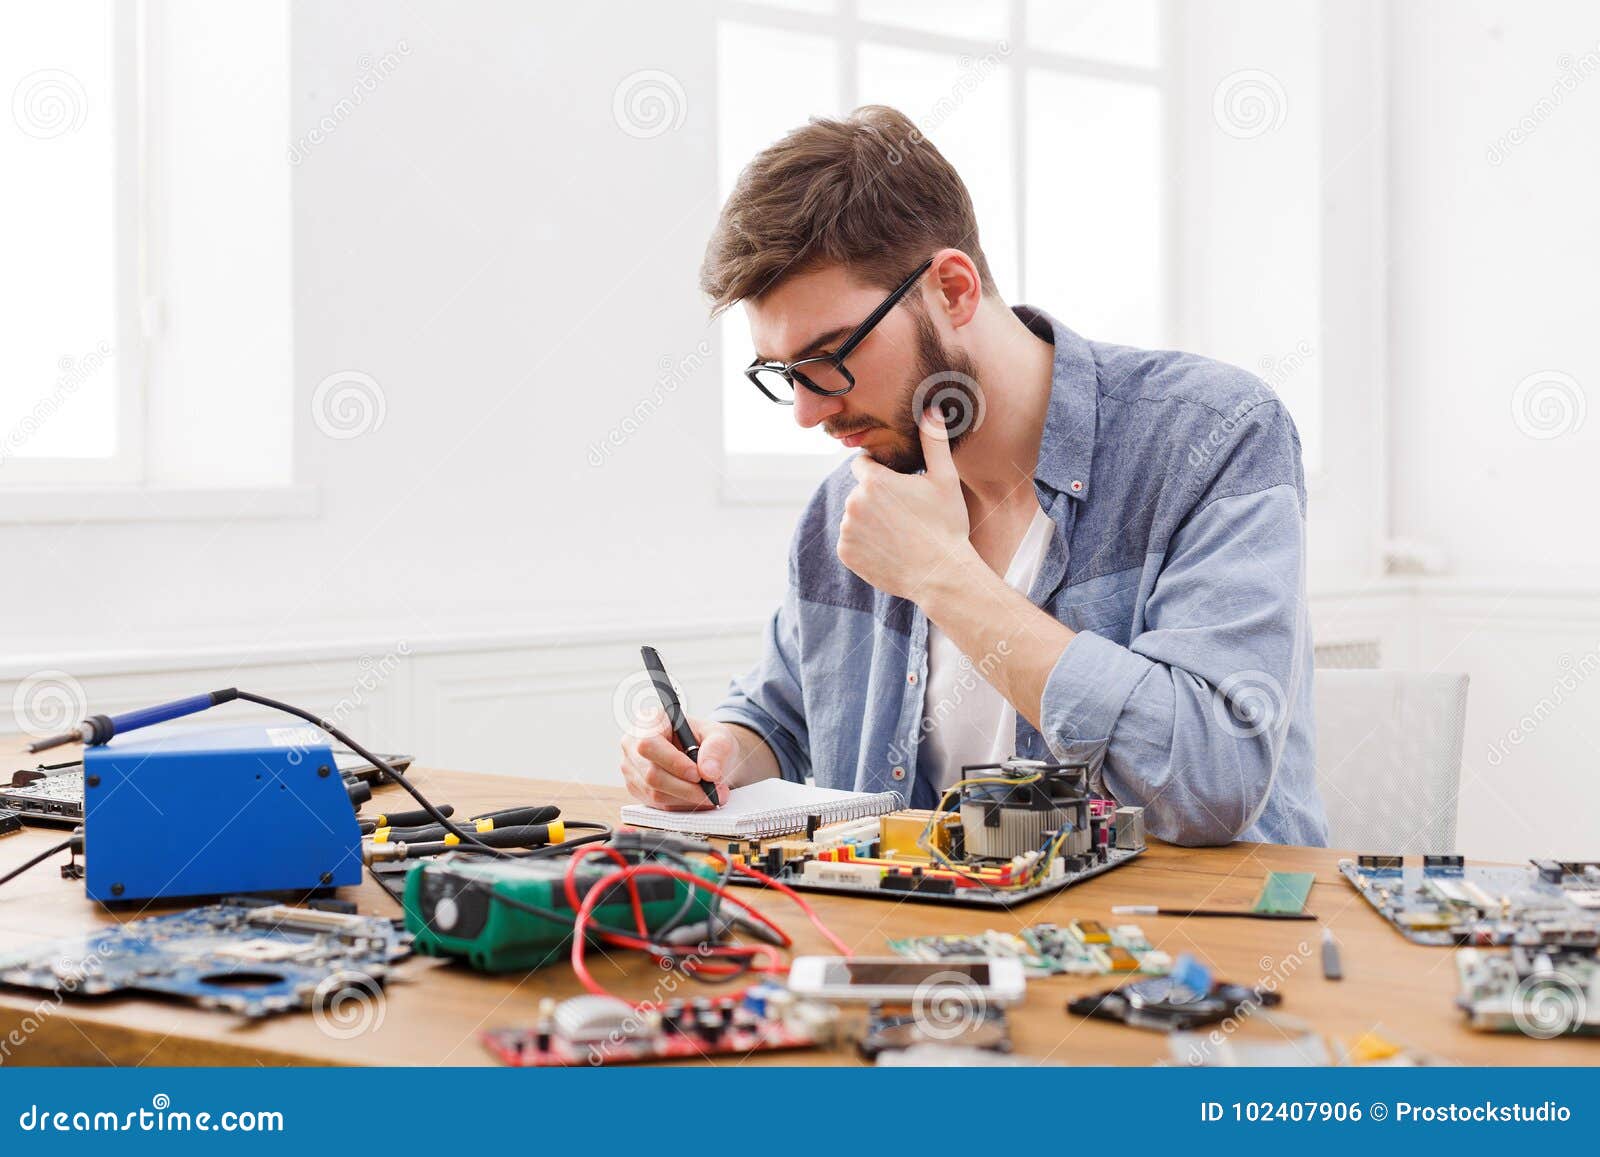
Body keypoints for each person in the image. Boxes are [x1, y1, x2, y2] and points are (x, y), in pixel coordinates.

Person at [619, 105, 1327, 847]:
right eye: (783, 372)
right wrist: (721, 754)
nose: (805, 411)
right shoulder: (850, 507)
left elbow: (1214, 780)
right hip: (925, 948)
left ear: (952, 290)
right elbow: (785, 716)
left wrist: (943, 577)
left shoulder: (1212, 435)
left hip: (1195, 946)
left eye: (829, 357)